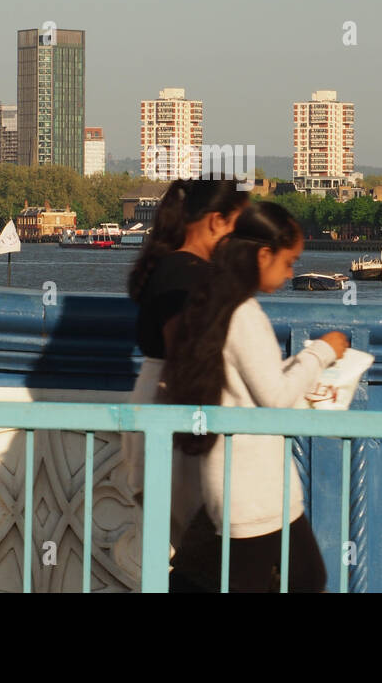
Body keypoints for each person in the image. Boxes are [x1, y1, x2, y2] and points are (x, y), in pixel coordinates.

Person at [162, 202, 348, 593]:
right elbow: (276, 397)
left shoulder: (219, 303)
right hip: (251, 492)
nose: (291, 273)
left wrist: (301, 363)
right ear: (264, 254)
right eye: (289, 262)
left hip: (254, 486)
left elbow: (255, 383)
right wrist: (322, 352)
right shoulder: (244, 314)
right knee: (298, 579)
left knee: (300, 577)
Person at [122, 179, 249, 558]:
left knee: (192, 555)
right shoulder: (187, 275)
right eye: (236, 227)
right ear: (215, 222)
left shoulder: (172, 267)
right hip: (177, 415)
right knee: (203, 555)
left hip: (162, 408)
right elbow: (187, 353)